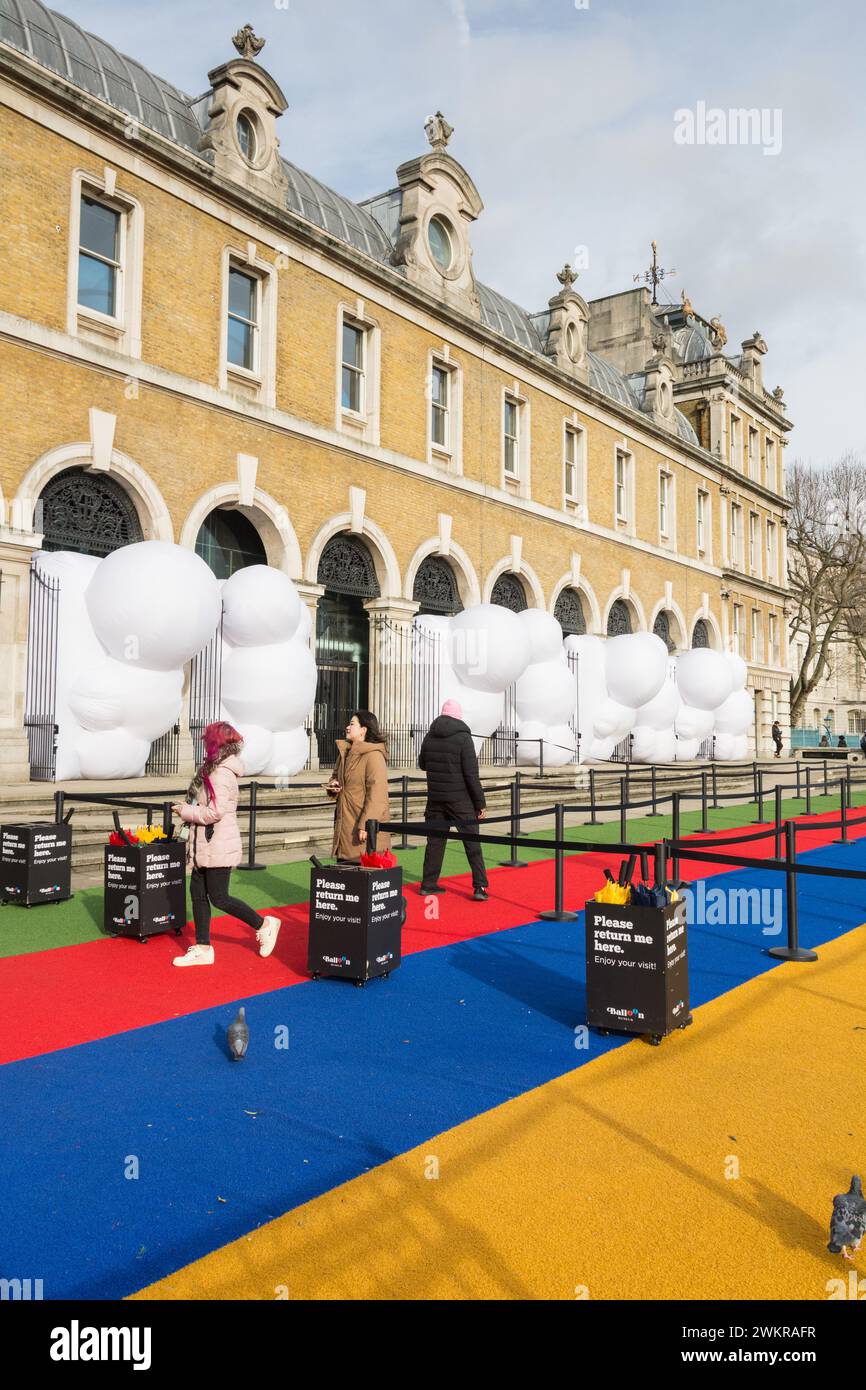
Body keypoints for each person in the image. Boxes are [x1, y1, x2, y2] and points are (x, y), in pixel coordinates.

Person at [171, 721, 281, 967]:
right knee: (198, 893)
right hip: (207, 841)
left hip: (215, 840)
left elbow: (215, 812)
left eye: (208, 741)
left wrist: (186, 811)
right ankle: (203, 947)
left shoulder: (219, 772)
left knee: (219, 897)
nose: (205, 746)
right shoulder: (216, 769)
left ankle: (264, 924)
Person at [418, 699, 489, 901]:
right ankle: (480, 887)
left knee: (435, 843)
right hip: (460, 800)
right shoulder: (464, 738)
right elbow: (471, 775)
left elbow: (422, 763)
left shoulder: (430, 736)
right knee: (472, 842)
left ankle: (428, 884)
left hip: (435, 798)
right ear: (459, 716)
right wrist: (480, 804)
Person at [327, 711, 391, 863]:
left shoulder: (374, 756)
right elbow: (335, 776)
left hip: (360, 826)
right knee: (345, 873)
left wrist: (367, 824)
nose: (347, 727)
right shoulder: (345, 753)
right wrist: (333, 785)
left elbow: (377, 794)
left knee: (360, 873)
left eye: (352, 724)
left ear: (364, 730)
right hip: (346, 823)